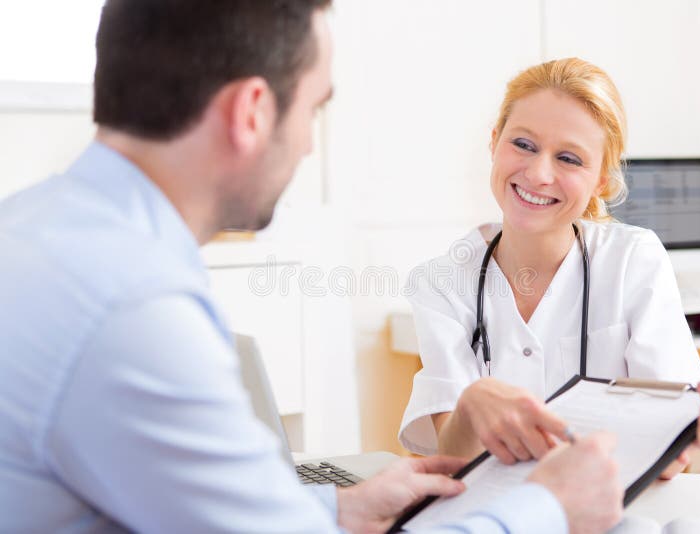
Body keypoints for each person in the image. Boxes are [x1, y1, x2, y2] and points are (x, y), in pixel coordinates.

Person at [0, 2, 624, 532]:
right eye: (312, 110)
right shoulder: (135, 313)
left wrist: (337, 506)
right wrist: (549, 508)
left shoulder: (33, 227)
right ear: (251, 112)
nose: (306, 143)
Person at [399, 58, 700, 477]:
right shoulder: (442, 283)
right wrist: (472, 408)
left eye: (569, 158)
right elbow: (454, 457)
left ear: (601, 179)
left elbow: (670, 459)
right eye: (523, 145)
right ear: (495, 142)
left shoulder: (633, 261)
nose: (538, 173)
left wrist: (690, 433)